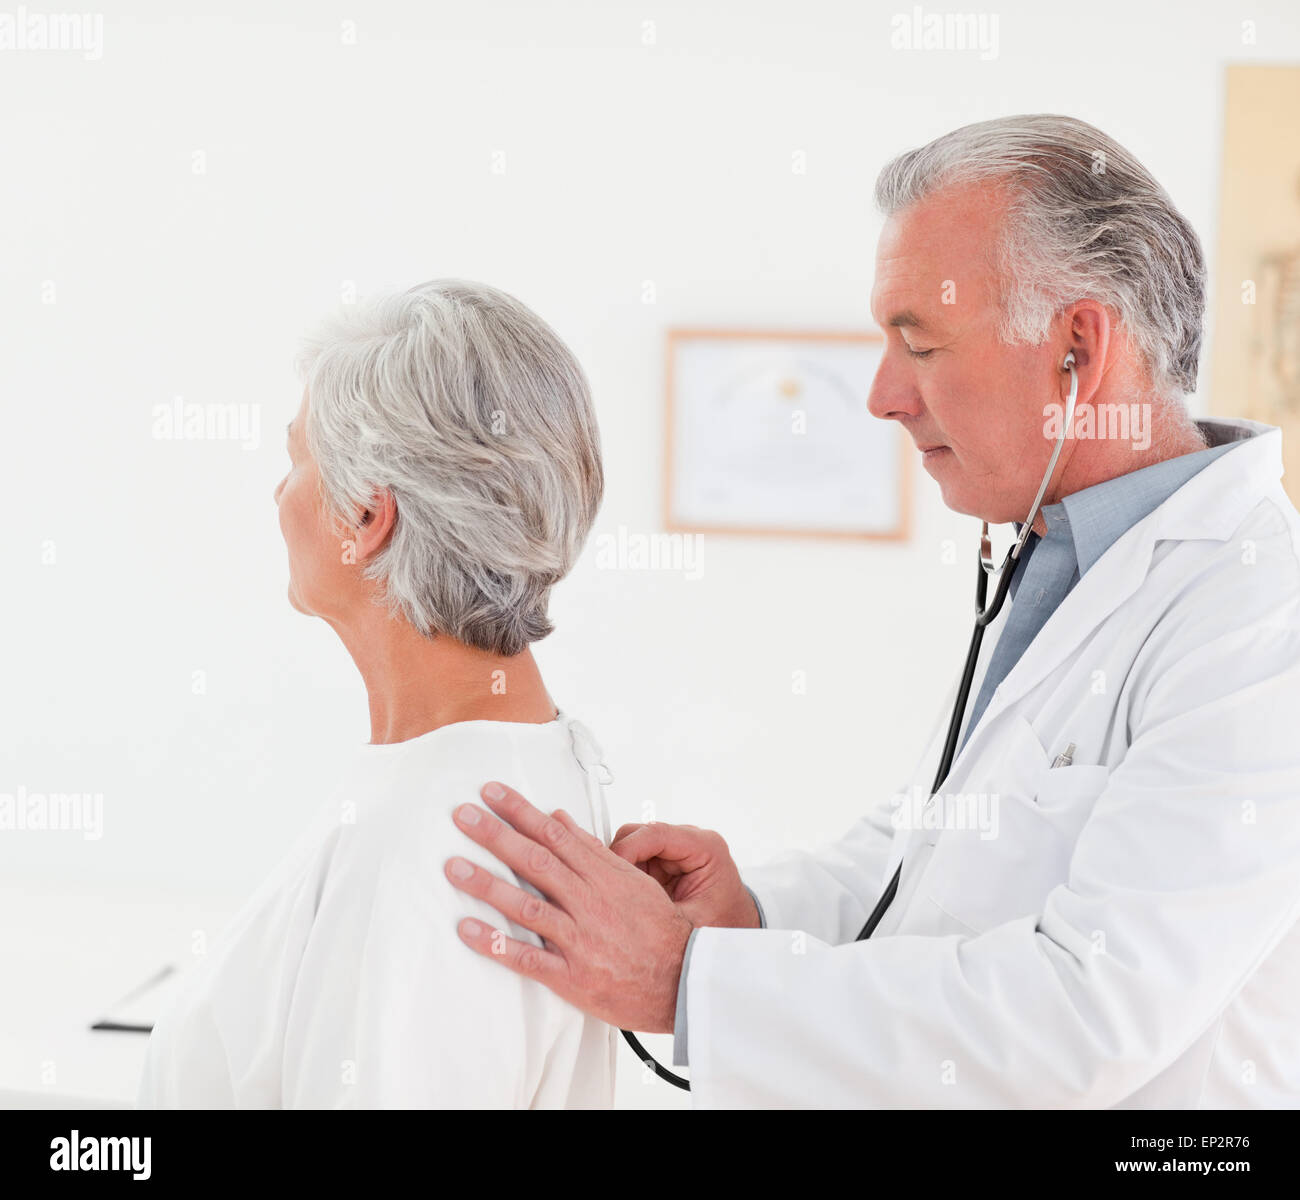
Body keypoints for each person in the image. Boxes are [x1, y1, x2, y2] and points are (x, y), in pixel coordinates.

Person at [443, 115, 1300, 1107]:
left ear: (1077, 346)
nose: (883, 396)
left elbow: (1088, 1011)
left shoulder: (1258, 619)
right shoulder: (1065, 559)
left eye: (919, 343)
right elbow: (942, 849)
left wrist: (686, 984)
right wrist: (752, 913)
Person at [139, 279, 616, 1108]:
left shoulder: (435, 845)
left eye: (295, 459)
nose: (277, 493)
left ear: (365, 517)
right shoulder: (531, 765)